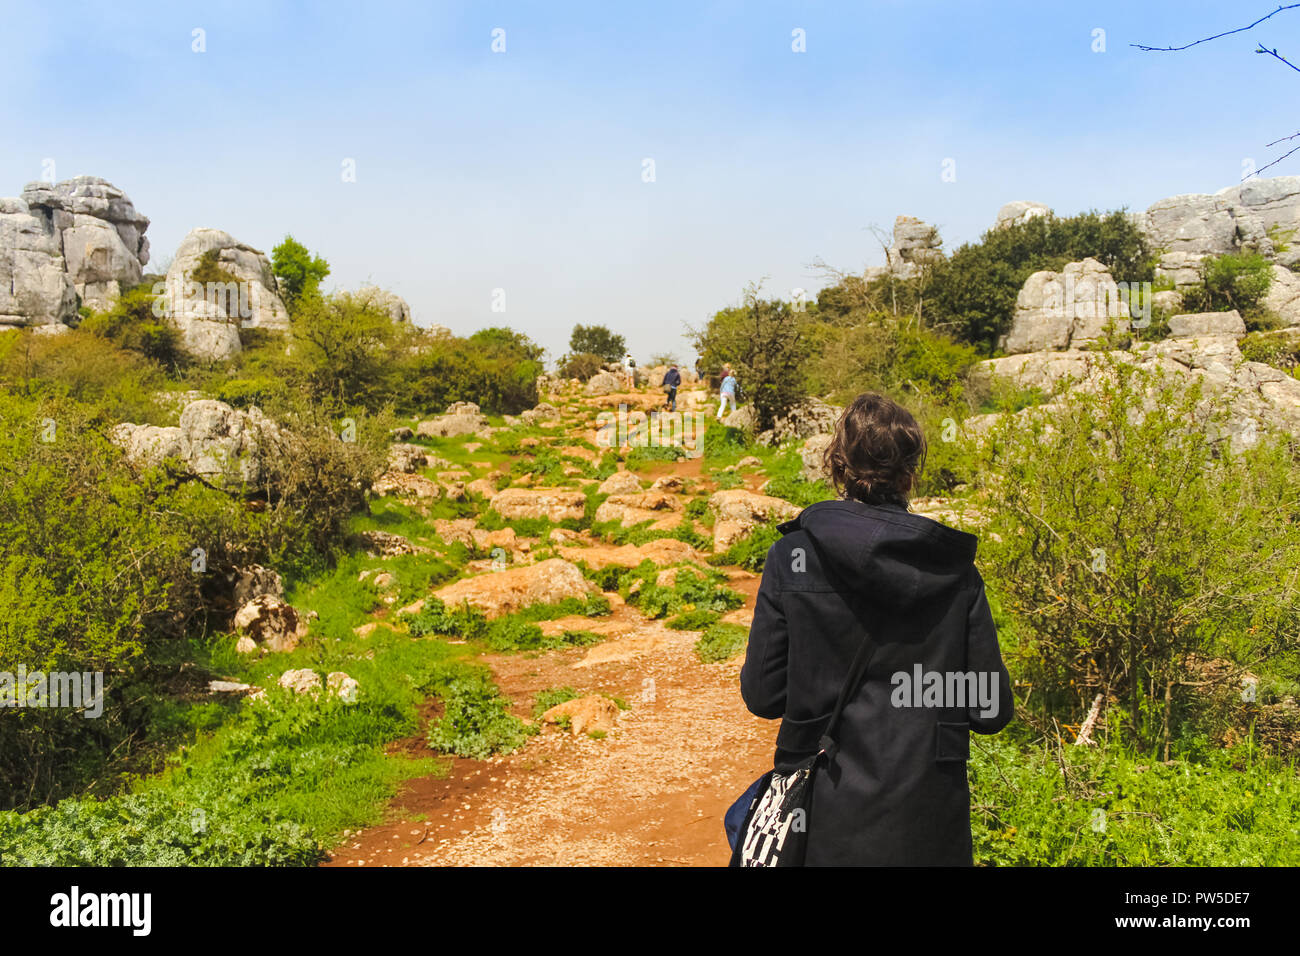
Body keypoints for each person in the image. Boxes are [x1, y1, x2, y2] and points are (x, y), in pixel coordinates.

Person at [738, 393, 1013, 866]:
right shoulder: (954, 569)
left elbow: (762, 696)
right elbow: (991, 712)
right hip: (928, 823)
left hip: (823, 817)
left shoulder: (792, 557)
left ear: (838, 468)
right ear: (911, 473)